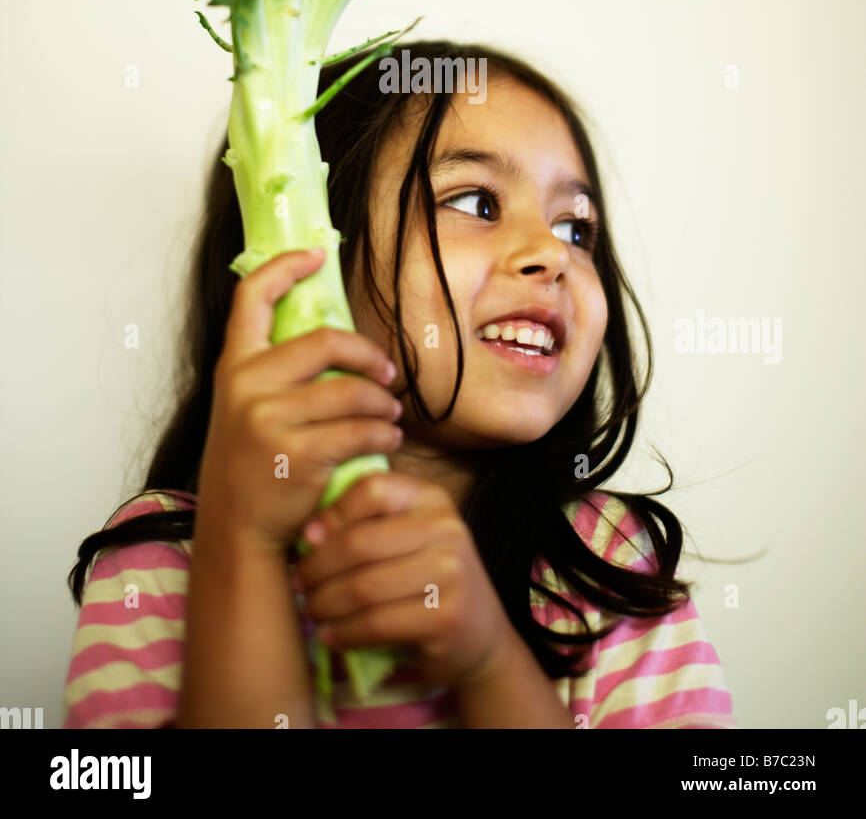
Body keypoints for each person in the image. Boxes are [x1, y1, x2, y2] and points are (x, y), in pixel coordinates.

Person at [62, 41, 738, 729]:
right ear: (309, 256)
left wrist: (489, 666)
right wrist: (247, 545)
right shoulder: (169, 558)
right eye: (476, 202)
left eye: (575, 227)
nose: (550, 254)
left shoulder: (609, 561)